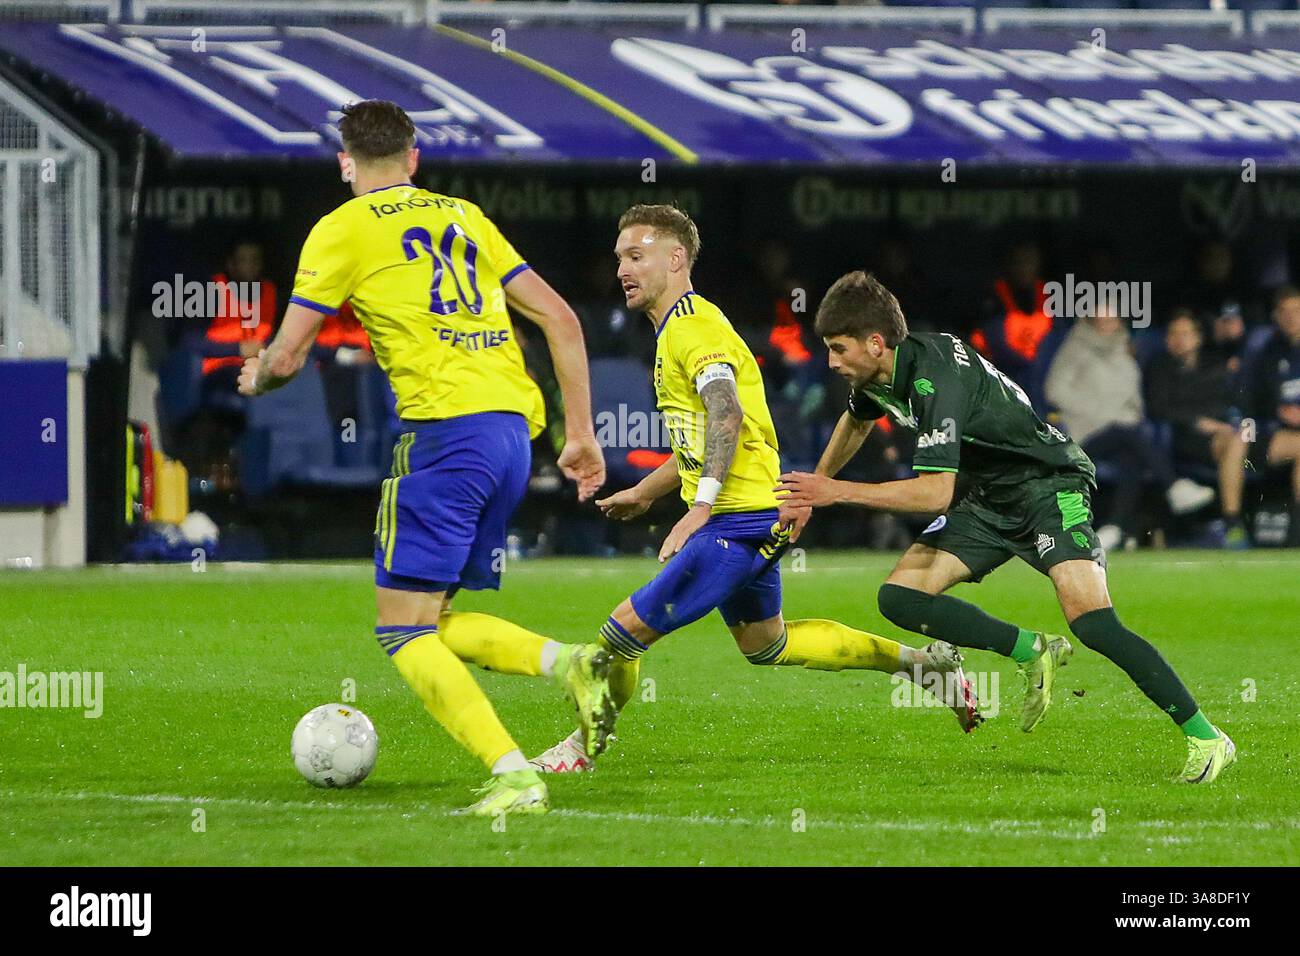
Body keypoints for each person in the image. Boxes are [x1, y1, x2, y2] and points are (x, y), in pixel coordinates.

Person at [236, 99, 613, 816]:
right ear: (413, 159)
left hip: (445, 436)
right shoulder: (465, 215)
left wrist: (257, 377)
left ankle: (514, 774)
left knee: (401, 630)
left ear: (345, 162)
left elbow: (288, 355)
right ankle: (569, 664)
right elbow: (562, 319)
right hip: (510, 432)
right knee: (435, 619)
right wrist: (583, 434)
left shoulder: (339, 228)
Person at [528, 206, 979, 774]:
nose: (622, 268)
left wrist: (698, 507)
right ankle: (923, 666)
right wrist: (647, 491)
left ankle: (582, 749)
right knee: (766, 645)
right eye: (619, 257)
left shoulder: (695, 329)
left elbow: (726, 412)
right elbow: (703, 437)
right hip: (751, 513)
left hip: (737, 521)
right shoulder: (679, 329)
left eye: (635, 256)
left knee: (620, 635)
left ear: (675, 259)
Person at [777, 271, 1236, 784]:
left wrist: (836, 493)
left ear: (876, 343)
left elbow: (933, 493)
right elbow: (857, 420)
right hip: (985, 498)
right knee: (901, 598)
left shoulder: (935, 381)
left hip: (1045, 486)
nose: (831, 362)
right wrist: (813, 487)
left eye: (839, 349)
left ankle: (1207, 738)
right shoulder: (879, 375)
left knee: (1093, 624)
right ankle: (1031, 649)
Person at [1044, 306, 1215, 549]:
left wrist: (1124, 415)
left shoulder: (1124, 351)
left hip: (1121, 433)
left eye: (1112, 319)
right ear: (1091, 321)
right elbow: (1055, 391)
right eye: (1102, 320)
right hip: (1084, 434)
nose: (1108, 324)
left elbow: (1133, 397)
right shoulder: (1074, 349)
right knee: (1130, 434)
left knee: (1131, 457)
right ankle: (1174, 486)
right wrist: (1101, 413)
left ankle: (1114, 527)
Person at [1144, 309, 1250, 547]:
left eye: (1186, 333)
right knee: (1236, 442)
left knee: (1238, 439)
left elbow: (1227, 399)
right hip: (1181, 440)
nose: (1180, 339)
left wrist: (1218, 423)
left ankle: (1230, 522)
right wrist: (1197, 421)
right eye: (1174, 333)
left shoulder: (1213, 363)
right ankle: (1232, 523)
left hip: (1222, 435)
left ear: (1198, 337)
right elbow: (1158, 409)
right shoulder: (1159, 367)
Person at [1241, 286, 1300, 544]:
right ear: (1275, 316)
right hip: (1275, 436)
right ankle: (1233, 525)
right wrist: (1276, 413)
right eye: (1284, 312)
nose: (1291, 317)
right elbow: (1250, 405)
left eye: (1297, 311)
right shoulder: (1265, 354)